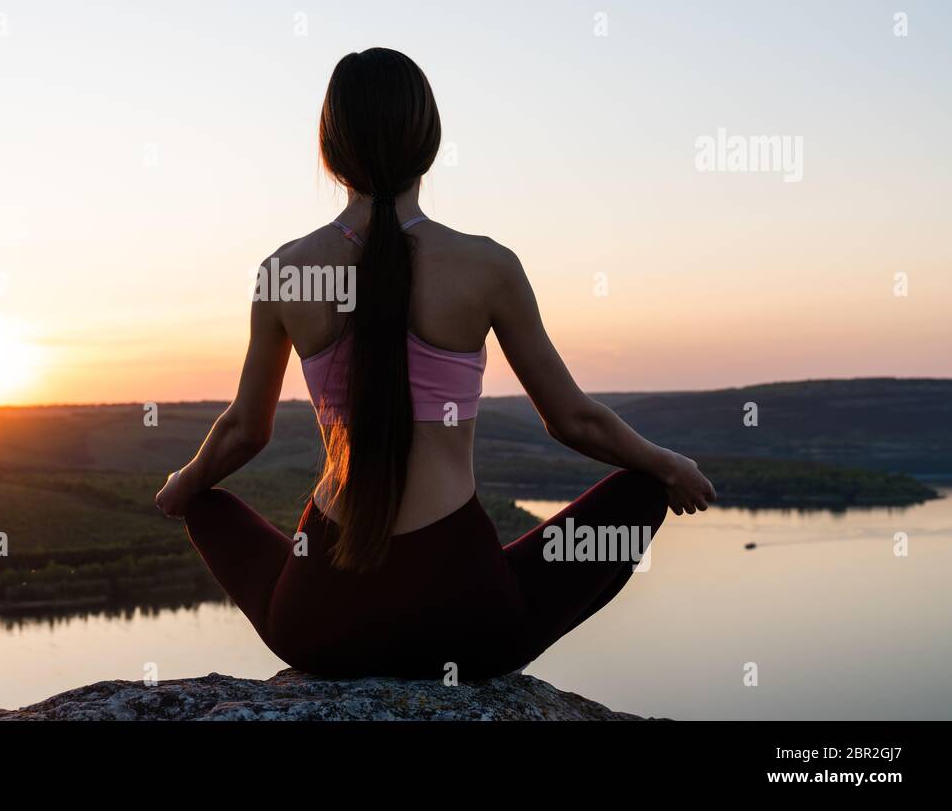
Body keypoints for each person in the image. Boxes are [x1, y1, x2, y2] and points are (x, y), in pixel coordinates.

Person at [155, 47, 716, 679]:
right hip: (466, 617)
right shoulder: (487, 266)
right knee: (641, 488)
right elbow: (574, 421)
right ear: (430, 144)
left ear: (331, 151)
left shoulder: (283, 272)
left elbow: (243, 432)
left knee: (206, 504)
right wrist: (668, 465)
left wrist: (182, 487)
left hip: (320, 620)